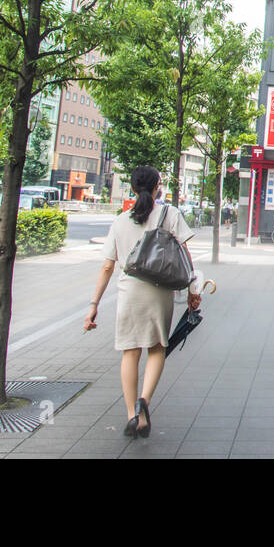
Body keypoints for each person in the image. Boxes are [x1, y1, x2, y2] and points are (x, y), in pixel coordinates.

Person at [84, 165, 200, 439]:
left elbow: (106, 268)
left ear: (133, 189)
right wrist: (193, 289)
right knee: (157, 348)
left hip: (129, 293)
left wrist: (93, 305)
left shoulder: (121, 220)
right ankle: (144, 401)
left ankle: (132, 415)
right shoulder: (169, 213)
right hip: (160, 292)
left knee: (130, 352)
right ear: (159, 186)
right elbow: (185, 255)